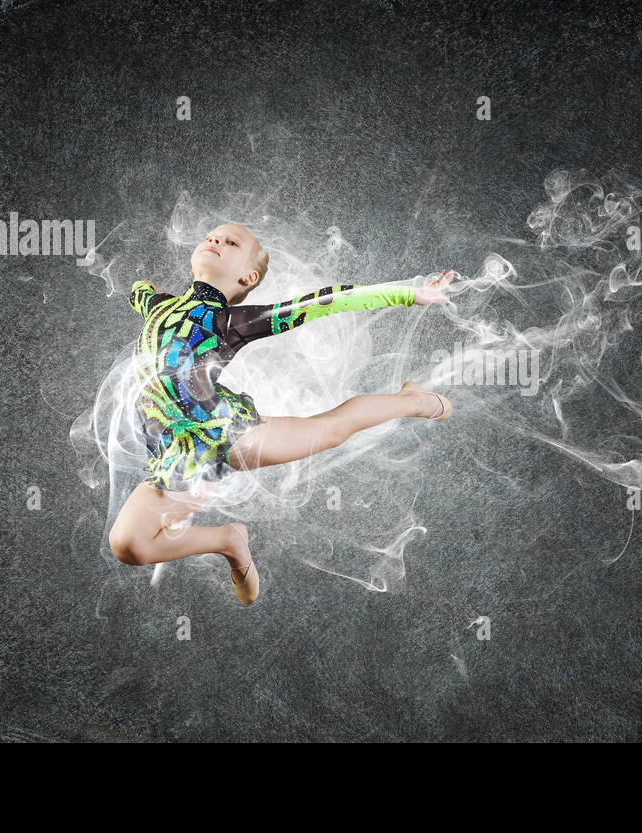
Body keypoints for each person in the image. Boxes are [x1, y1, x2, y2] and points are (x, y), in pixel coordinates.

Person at [107, 222, 455, 605]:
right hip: (175, 450)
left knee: (332, 430)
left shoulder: (229, 323)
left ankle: (413, 400)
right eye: (211, 237)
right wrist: (142, 289)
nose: (215, 240)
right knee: (128, 544)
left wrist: (409, 293)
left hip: (222, 434)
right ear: (193, 264)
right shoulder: (160, 307)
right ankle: (228, 541)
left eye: (231, 242)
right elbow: (141, 294)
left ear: (248, 276)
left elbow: (327, 302)